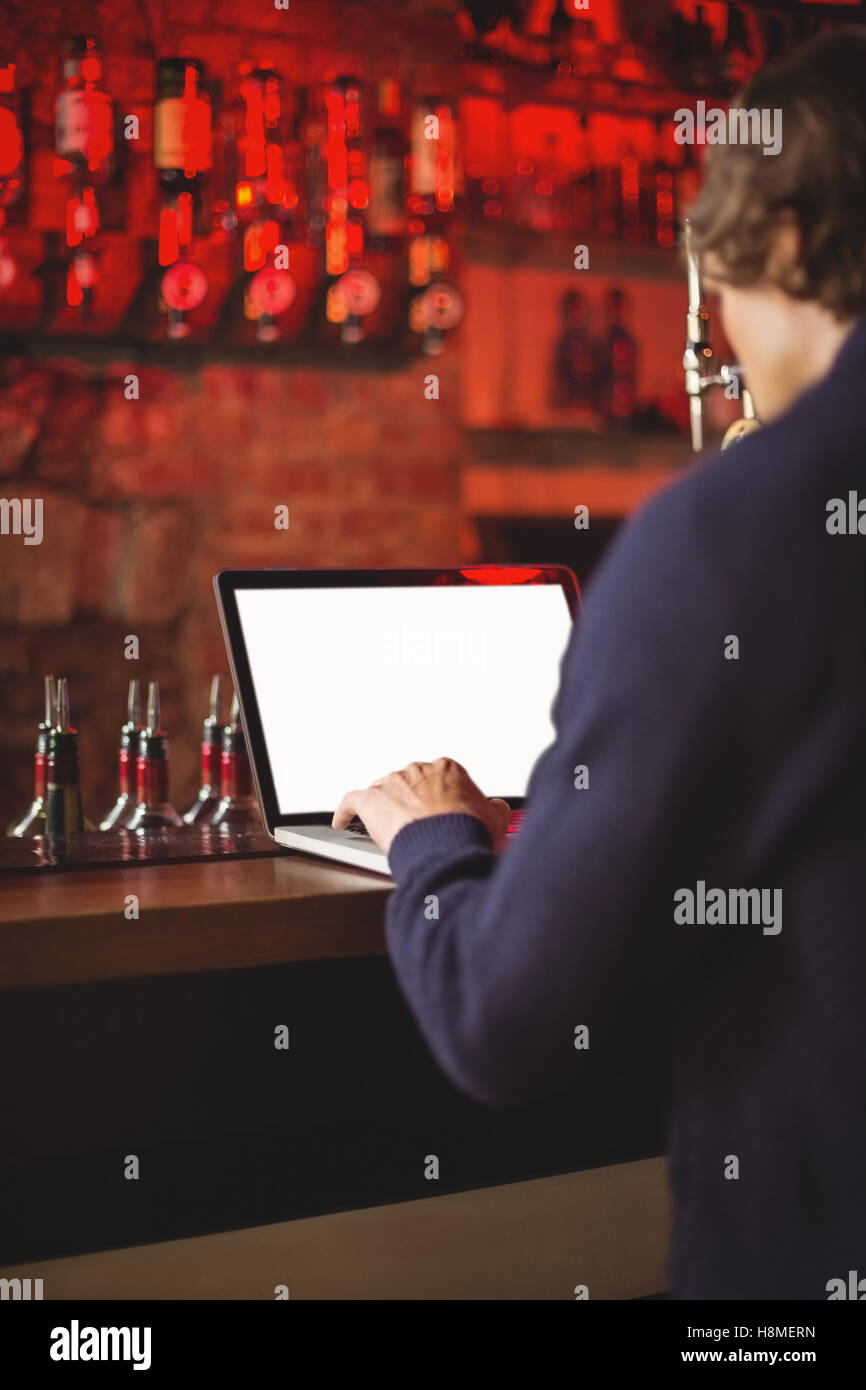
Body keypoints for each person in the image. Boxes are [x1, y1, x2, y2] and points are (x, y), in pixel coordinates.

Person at [334, 30, 866, 1300]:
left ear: (785, 240)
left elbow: (500, 1015)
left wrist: (433, 838)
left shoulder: (741, 531)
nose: (719, 335)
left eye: (718, 282)